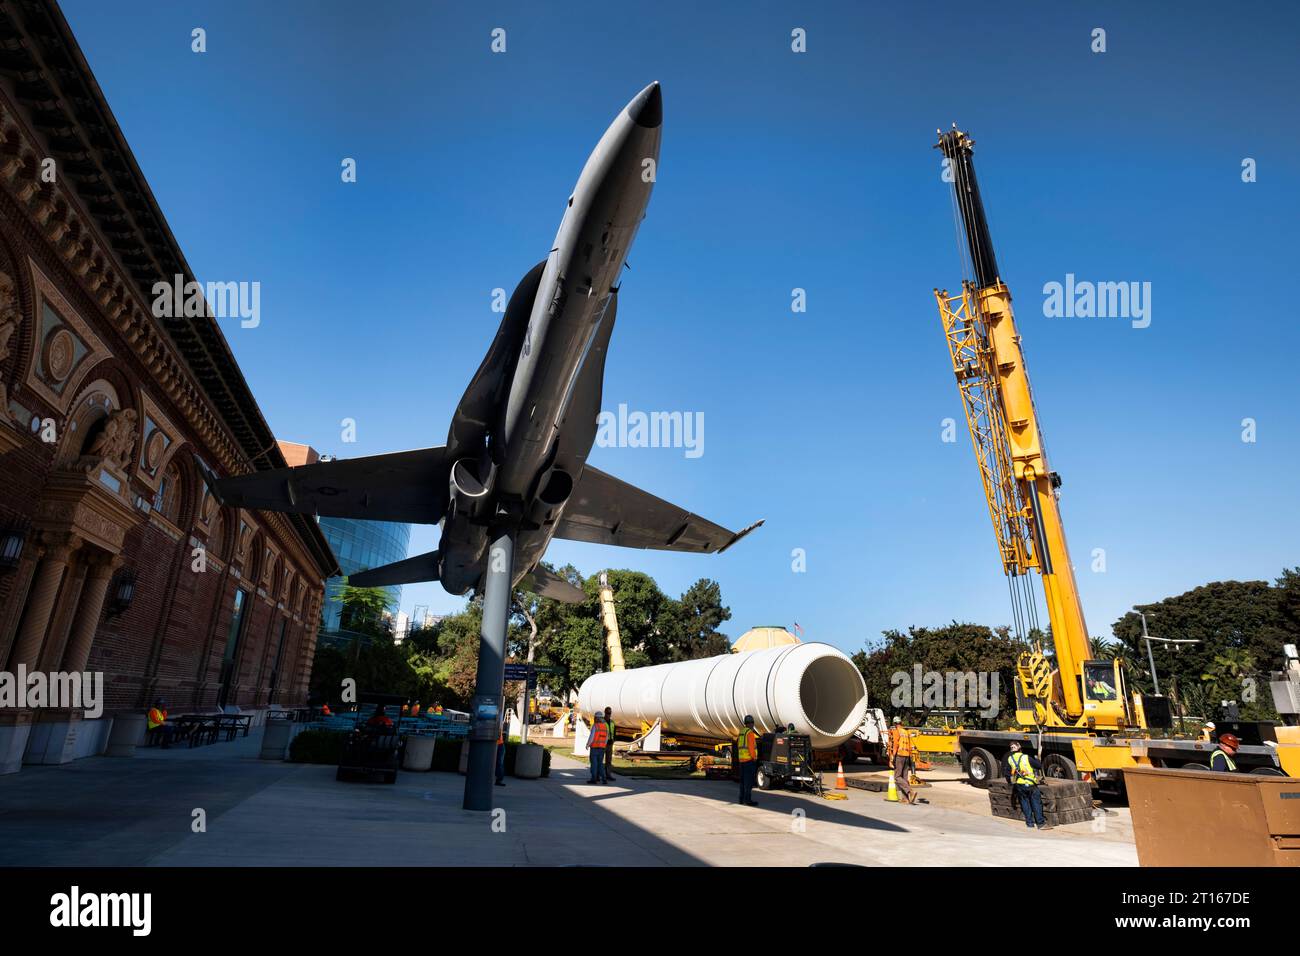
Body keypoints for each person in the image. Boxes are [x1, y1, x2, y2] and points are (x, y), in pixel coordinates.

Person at [1006, 741, 1051, 829]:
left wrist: (1011, 783)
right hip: (1030, 784)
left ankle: (1029, 823)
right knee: (1036, 803)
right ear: (1020, 747)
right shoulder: (1026, 757)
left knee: (1025, 803)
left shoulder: (1010, 759)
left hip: (1019, 785)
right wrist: (1037, 759)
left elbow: (1007, 773)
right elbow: (1038, 766)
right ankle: (1040, 824)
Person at [890, 717, 917, 805]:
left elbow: (896, 745)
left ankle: (910, 791)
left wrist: (893, 757)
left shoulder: (896, 731)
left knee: (897, 777)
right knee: (904, 778)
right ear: (901, 722)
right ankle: (905, 799)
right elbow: (910, 745)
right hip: (907, 756)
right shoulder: (906, 732)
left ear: (895, 723)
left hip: (900, 755)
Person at [736, 715, 760, 807]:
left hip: (741, 760)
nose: (753, 725)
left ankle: (741, 799)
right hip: (749, 761)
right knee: (748, 782)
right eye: (753, 723)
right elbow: (751, 747)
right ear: (751, 723)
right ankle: (748, 800)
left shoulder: (742, 732)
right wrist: (754, 758)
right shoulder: (749, 733)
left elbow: (739, 745)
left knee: (742, 782)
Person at [587, 712, 610, 784]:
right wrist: (604, 745)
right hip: (602, 748)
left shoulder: (595, 726)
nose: (594, 719)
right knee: (600, 764)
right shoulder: (605, 727)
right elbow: (606, 738)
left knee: (594, 764)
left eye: (595, 717)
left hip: (594, 748)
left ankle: (594, 779)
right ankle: (604, 779)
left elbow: (592, 737)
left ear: (597, 718)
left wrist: (587, 745)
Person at [602, 706, 618, 782]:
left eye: (610, 713)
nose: (609, 714)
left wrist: (613, 740)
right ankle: (599, 775)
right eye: (607, 713)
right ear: (605, 713)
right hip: (602, 744)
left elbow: (614, 732)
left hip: (609, 744)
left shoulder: (612, 722)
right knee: (600, 760)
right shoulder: (602, 722)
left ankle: (608, 775)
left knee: (608, 761)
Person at [496, 715, 508, 787]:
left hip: (500, 743)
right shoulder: (498, 717)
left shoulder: (499, 718)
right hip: (498, 744)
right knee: (500, 763)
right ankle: (499, 779)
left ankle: (499, 779)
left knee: (500, 763)